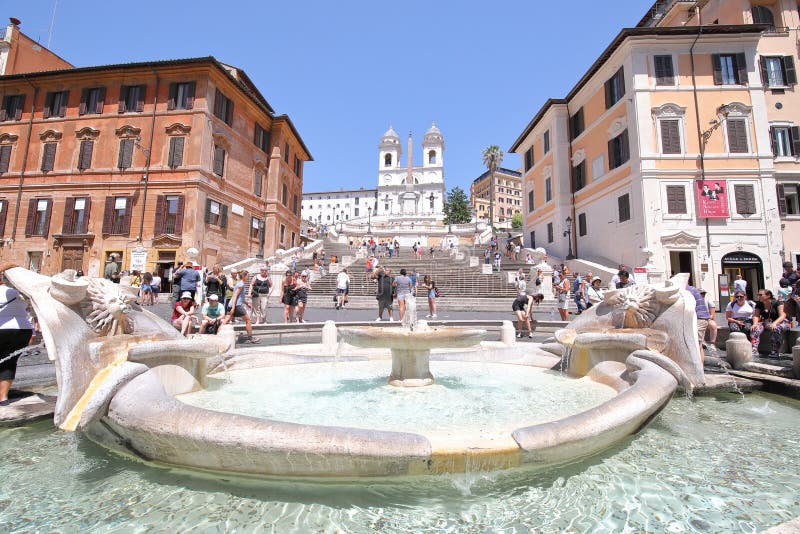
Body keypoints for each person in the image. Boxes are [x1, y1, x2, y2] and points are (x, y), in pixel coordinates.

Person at [0, 270, 35, 406]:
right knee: (9, 362)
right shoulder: (20, 293)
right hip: (22, 330)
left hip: (2, 328)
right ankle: (3, 398)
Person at [750, 289, 789, 358]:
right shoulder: (759, 304)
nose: (758, 296)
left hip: (781, 322)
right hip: (767, 322)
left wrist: (774, 323)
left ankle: (775, 351)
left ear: (768, 295)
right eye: (758, 295)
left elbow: (783, 315)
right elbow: (756, 315)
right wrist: (755, 323)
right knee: (755, 328)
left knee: (776, 328)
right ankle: (754, 349)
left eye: (760, 295)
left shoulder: (778, 303)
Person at [222, 271, 259, 343]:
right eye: (247, 276)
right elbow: (235, 296)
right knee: (248, 320)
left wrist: (246, 303)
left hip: (232, 304)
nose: (248, 277)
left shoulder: (239, 283)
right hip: (237, 306)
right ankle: (250, 338)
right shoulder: (241, 284)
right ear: (244, 276)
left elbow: (240, 297)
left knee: (225, 321)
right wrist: (233, 308)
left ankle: (217, 335)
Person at [686, 285, 711, 364]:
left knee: (695, 344)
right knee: (698, 345)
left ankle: (698, 371)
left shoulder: (687, 291)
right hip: (701, 318)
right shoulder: (690, 289)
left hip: (699, 318)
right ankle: (701, 371)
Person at [700, 289, 718, 354]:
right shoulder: (693, 301)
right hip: (696, 320)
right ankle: (700, 343)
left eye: (703, 294)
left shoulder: (708, 301)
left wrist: (706, 318)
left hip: (706, 319)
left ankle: (712, 344)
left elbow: (712, 315)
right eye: (701, 294)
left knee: (713, 325)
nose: (702, 295)